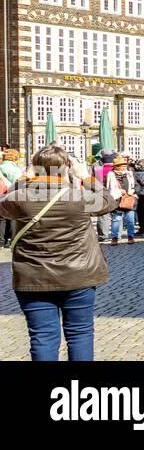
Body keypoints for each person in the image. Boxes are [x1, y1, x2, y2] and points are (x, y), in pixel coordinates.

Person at [0, 145, 116, 360]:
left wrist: (24, 179)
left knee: (42, 335)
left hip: (33, 276)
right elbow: (108, 202)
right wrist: (86, 177)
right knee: (80, 333)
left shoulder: (20, 198)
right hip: (79, 274)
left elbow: (2, 203)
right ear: (66, 168)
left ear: (34, 168)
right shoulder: (78, 197)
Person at [106, 154, 137, 245]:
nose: (124, 167)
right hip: (117, 199)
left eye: (124, 165)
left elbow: (135, 185)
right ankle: (114, 238)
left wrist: (133, 190)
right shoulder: (111, 175)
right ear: (116, 167)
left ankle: (131, 237)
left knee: (130, 219)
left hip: (129, 199)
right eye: (121, 166)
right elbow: (108, 188)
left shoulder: (129, 174)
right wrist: (119, 191)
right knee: (116, 219)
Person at [0, 148, 22, 249]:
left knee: (1, 219)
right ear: (15, 157)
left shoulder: (1, 167)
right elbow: (19, 184)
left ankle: (1, 241)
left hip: (1, 195)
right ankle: (11, 240)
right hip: (11, 195)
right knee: (13, 218)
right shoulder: (16, 169)